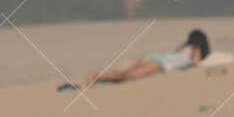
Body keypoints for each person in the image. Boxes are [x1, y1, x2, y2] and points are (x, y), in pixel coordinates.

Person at [72, 29, 211, 88]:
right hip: (159, 63)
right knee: (127, 76)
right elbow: (195, 62)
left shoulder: (184, 47)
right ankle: (97, 77)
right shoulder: (194, 50)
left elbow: (175, 53)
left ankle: (99, 77)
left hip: (154, 57)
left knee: (126, 74)